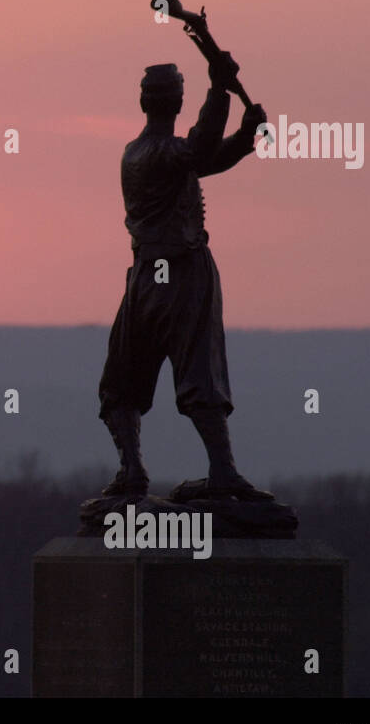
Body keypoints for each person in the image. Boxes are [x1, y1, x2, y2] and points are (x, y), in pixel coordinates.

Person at [96, 54, 273, 501]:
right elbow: (196, 152)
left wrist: (245, 135)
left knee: (124, 383)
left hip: (148, 277)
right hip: (179, 275)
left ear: (144, 103)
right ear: (177, 104)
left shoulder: (146, 153)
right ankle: (219, 470)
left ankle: (141, 469)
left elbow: (204, 157)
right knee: (192, 374)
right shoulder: (156, 153)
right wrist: (219, 90)